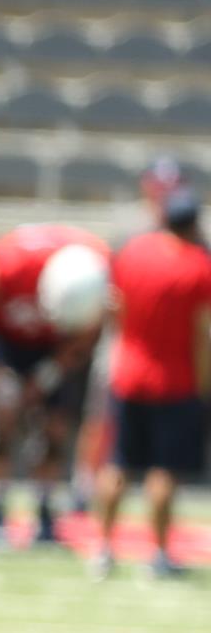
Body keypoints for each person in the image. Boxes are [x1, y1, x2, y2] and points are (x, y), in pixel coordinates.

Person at [0, 226, 110, 548]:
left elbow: (88, 337)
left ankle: (45, 512)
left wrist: (48, 375)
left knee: (54, 427)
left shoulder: (97, 270)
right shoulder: (15, 262)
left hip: (53, 347)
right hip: (1, 342)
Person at [91, 189, 211, 580]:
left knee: (117, 465)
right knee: (164, 471)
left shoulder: (133, 253)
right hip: (175, 382)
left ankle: (103, 550)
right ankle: (158, 554)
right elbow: (201, 334)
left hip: (129, 375)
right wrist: (203, 384)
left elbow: (115, 311)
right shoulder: (198, 267)